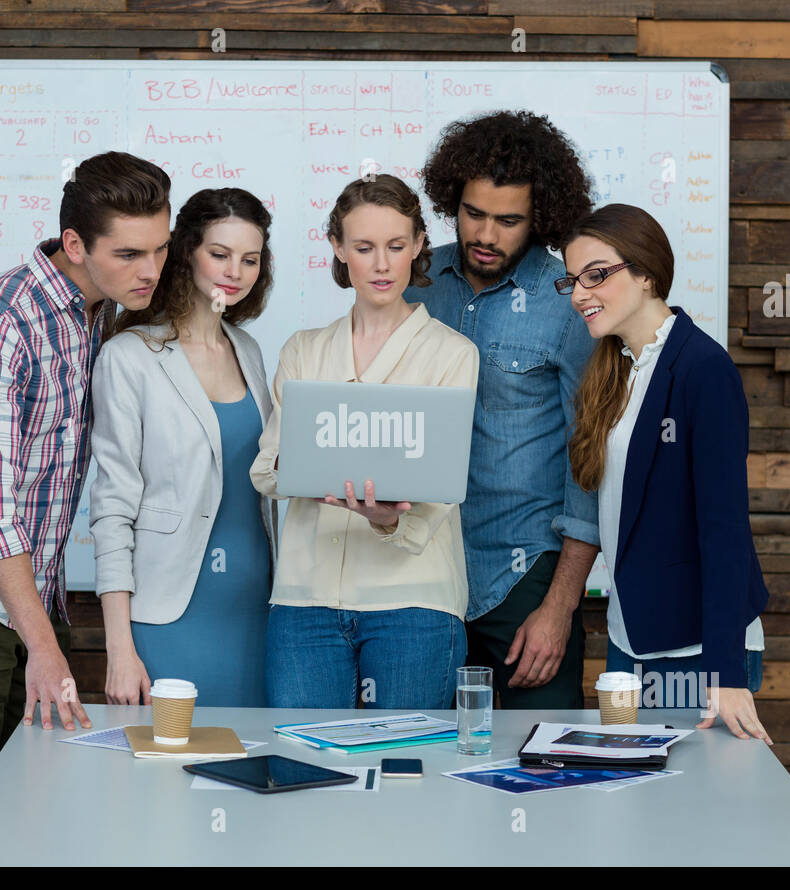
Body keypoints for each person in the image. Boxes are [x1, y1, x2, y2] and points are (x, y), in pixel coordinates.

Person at [0, 151, 172, 864]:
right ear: (74, 245)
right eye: (131, 253)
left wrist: (46, 634)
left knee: (30, 818)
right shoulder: (1, 321)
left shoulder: (95, 311)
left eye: (162, 248)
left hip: (31, 595)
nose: (151, 269)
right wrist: (47, 652)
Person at [250, 175, 479, 709]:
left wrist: (389, 518)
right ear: (337, 247)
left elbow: (444, 485)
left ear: (420, 245)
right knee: (304, 764)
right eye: (364, 248)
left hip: (415, 602)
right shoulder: (304, 351)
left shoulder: (452, 354)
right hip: (304, 601)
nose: (381, 265)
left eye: (397, 247)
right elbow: (266, 470)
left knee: (403, 771)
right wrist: (309, 463)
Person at [403, 110, 600, 709]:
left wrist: (559, 607)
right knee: (423, 768)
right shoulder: (413, 282)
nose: (486, 235)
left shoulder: (571, 301)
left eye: (509, 220)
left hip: (525, 579)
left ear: (540, 218)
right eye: (474, 214)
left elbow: (587, 462)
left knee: (539, 776)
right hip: (415, 570)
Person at [561, 203, 772, 742]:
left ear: (647, 273)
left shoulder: (704, 368)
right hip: (630, 635)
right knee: (634, 805)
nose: (581, 292)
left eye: (597, 274)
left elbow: (724, 530)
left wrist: (724, 673)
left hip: (696, 648)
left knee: (697, 814)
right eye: (573, 279)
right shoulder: (616, 369)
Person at [90, 188, 278, 708]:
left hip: (259, 611)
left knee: (250, 771)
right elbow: (112, 507)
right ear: (185, 251)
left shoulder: (249, 350)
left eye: (250, 259)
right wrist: (120, 649)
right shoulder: (129, 357)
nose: (234, 272)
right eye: (219, 254)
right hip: (170, 614)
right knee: (167, 780)